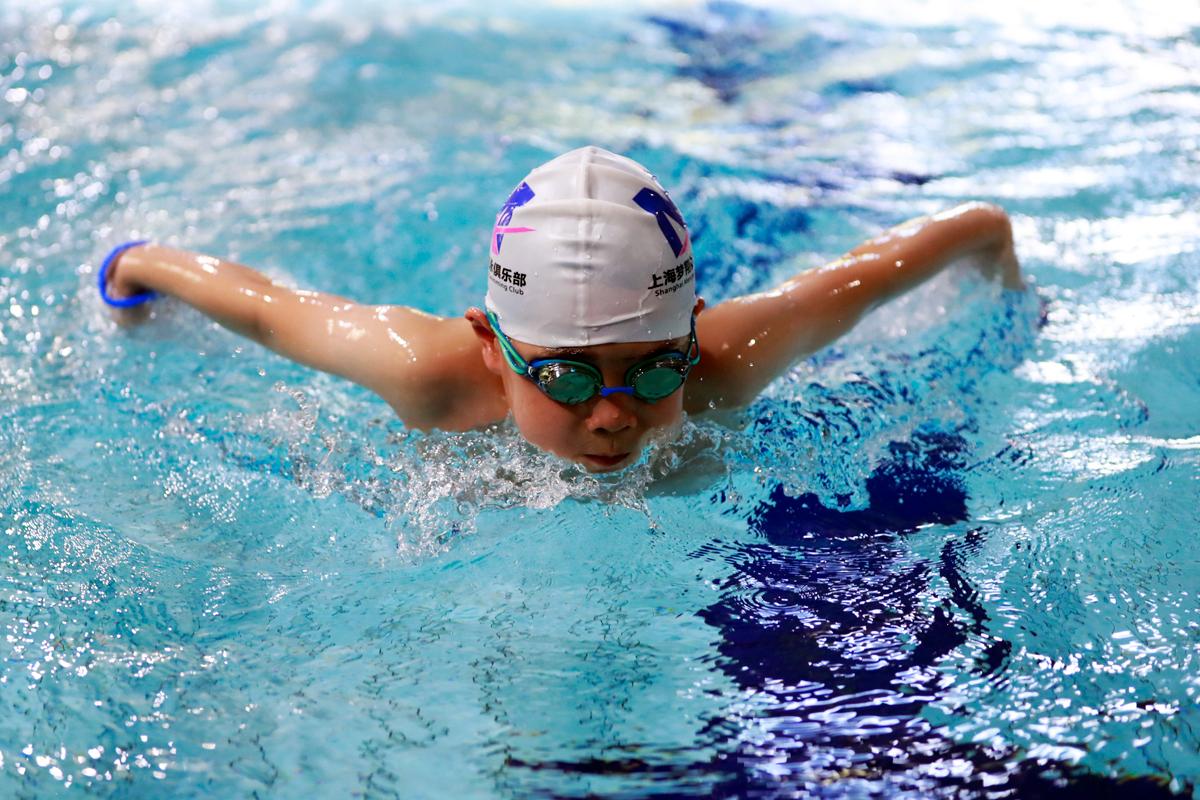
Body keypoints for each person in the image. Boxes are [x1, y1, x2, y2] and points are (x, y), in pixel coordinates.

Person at [100, 146, 1022, 473]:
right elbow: (269, 310)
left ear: (691, 328)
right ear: (491, 345)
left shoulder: (725, 362)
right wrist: (140, 266)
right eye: (567, 375)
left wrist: (998, 256)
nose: (615, 412)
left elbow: (885, 264)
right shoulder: (426, 373)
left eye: (655, 365)